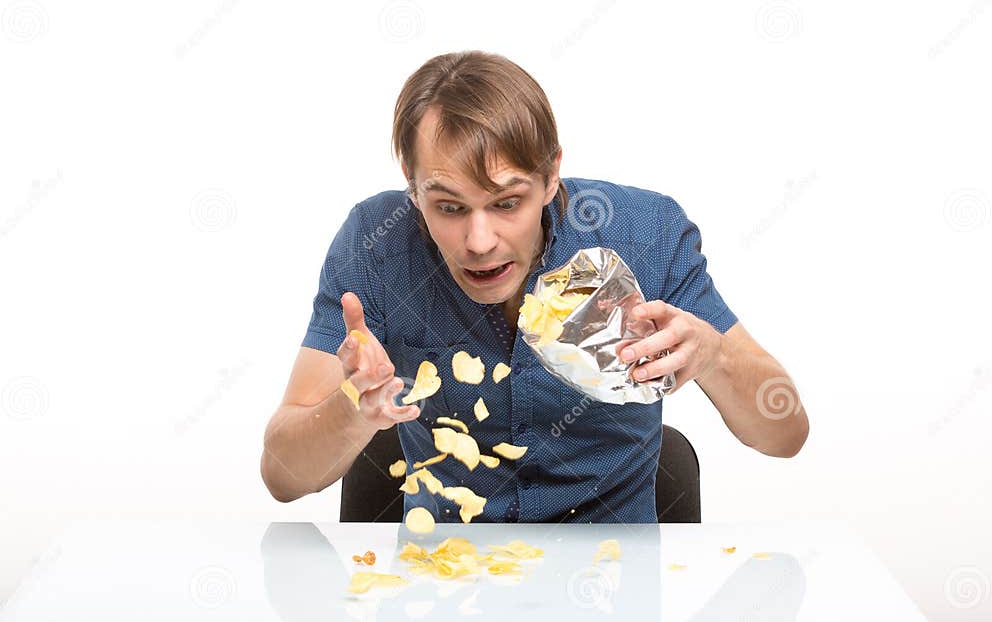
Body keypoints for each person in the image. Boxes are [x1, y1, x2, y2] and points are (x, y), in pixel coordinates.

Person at [261, 51, 808, 522]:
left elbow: (786, 434)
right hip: (443, 581)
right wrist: (355, 405)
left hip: (613, 579)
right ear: (410, 180)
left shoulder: (647, 234)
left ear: (551, 177)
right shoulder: (375, 246)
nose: (479, 241)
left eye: (507, 203)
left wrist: (713, 358)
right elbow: (282, 476)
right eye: (449, 206)